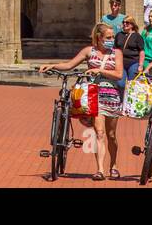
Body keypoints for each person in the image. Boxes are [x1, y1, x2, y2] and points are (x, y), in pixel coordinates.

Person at [39, 21, 126, 181]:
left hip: (111, 96)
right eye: (108, 37)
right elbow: (69, 65)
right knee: (99, 133)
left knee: (111, 134)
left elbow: (119, 74)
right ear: (99, 37)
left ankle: (113, 165)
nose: (111, 39)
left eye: (112, 37)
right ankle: (100, 169)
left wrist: (99, 70)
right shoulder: (89, 51)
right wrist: (52, 66)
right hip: (93, 95)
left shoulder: (117, 52)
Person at [115, 15, 144, 81]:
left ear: (132, 25)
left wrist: (141, 65)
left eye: (127, 22)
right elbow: (115, 49)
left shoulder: (137, 36)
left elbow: (141, 51)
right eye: (123, 22)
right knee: (121, 84)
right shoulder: (119, 35)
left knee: (131, 83)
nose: (125, 24)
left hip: (133, 63)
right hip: (120, 63)